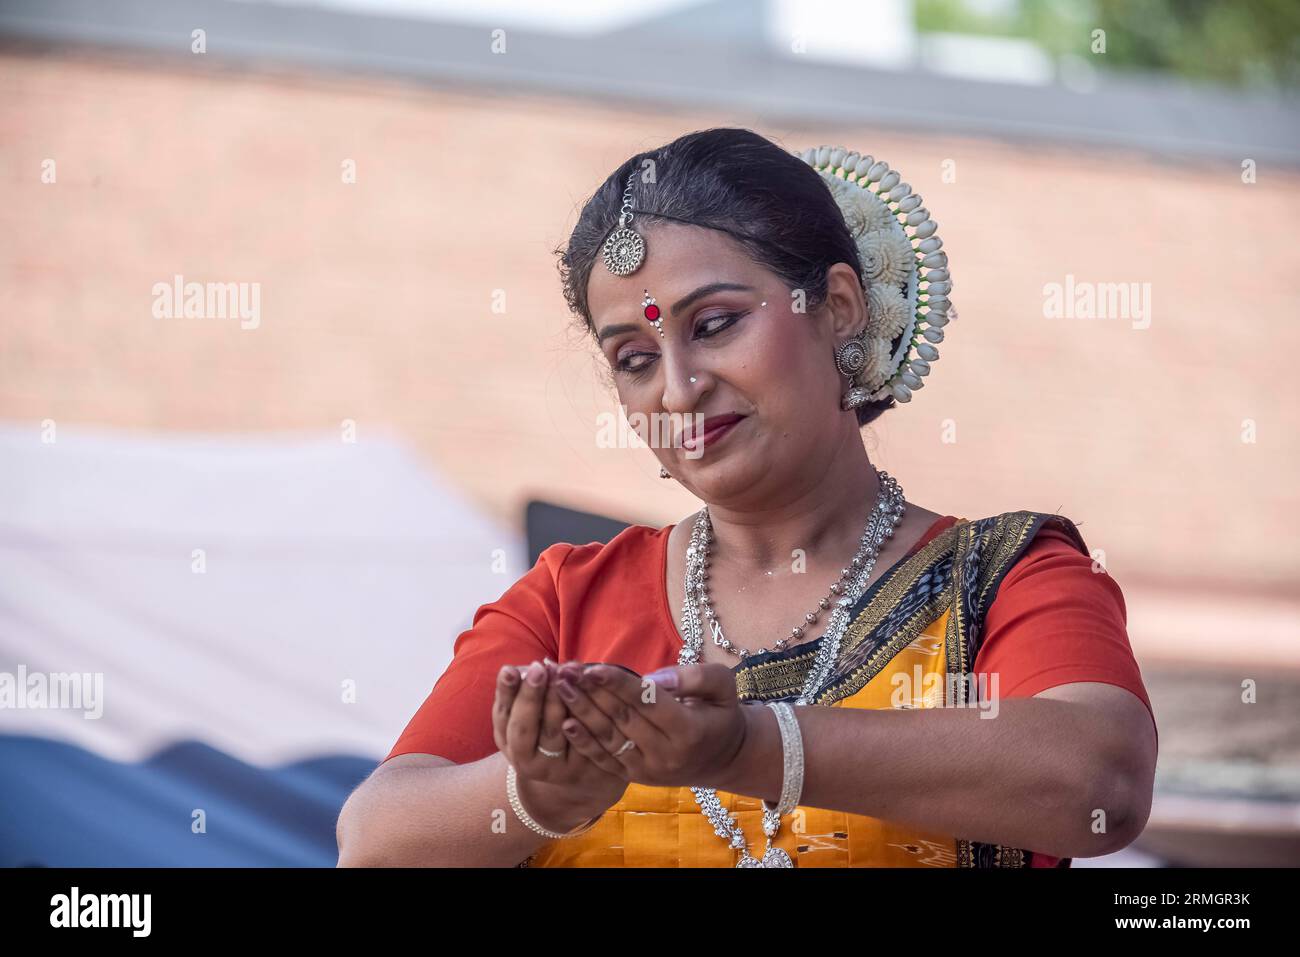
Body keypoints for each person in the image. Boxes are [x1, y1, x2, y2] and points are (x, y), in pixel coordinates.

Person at [336, 128, 1158, 868]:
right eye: (634, 358)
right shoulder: (567, 601)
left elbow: (1098, 781)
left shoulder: (1003, 578)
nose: (680, 388)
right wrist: (530, 800)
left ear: (838, 307)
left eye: (716, 323)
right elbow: (374, 842)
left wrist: (749, 749)